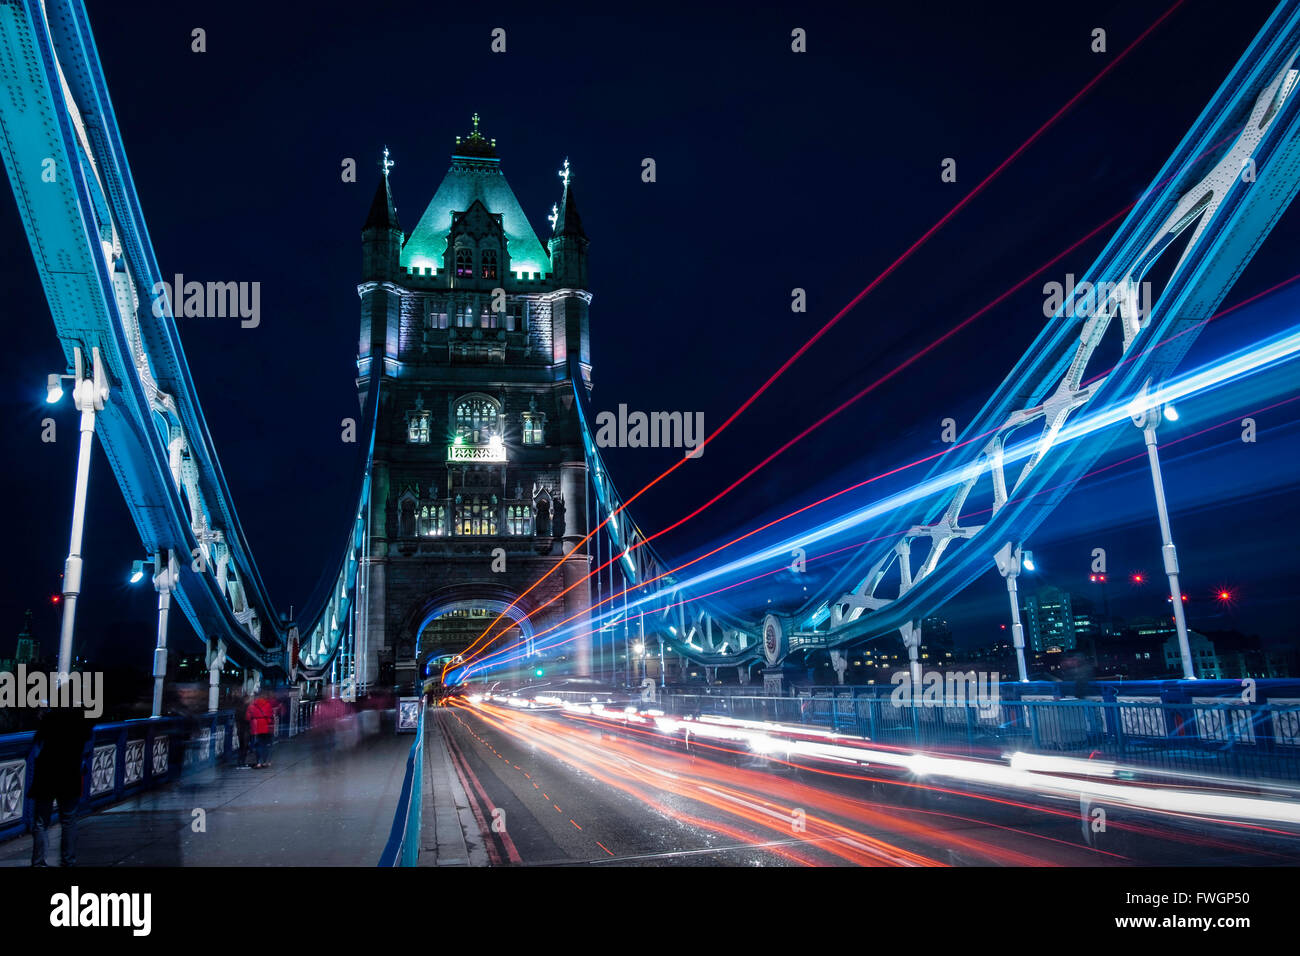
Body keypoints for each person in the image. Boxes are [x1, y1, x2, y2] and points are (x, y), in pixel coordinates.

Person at [30, 704, 94, 867]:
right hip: (69, 772)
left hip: (46, 772)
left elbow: (38, 745)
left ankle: (38, 862)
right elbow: (86, 746)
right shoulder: (83, 719)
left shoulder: (48, 717)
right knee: (69, 819)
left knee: (41, 820)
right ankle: (68, 861)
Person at [246, 692, 275, 768]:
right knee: (265, 745)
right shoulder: (268, 705)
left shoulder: (252, 706)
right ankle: (265, 762)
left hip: (255, 727)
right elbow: (271, 715)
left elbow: (248, 717)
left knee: (257, 745)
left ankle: (258, 762)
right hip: (265, 727)